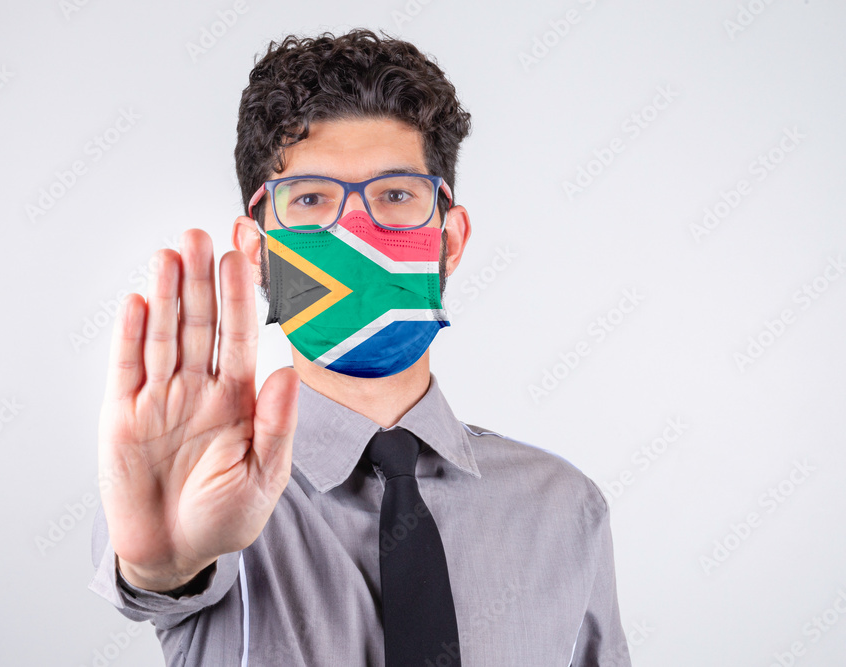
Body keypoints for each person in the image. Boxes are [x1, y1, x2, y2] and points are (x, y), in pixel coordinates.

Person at [89, 28, 630, 666]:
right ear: (258, 251)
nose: (356, 234)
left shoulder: (563, 506)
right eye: (312, 199)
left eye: (395, 196)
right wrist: (166, 565)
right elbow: (161, 573)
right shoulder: (205, 485)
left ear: (449, 240)